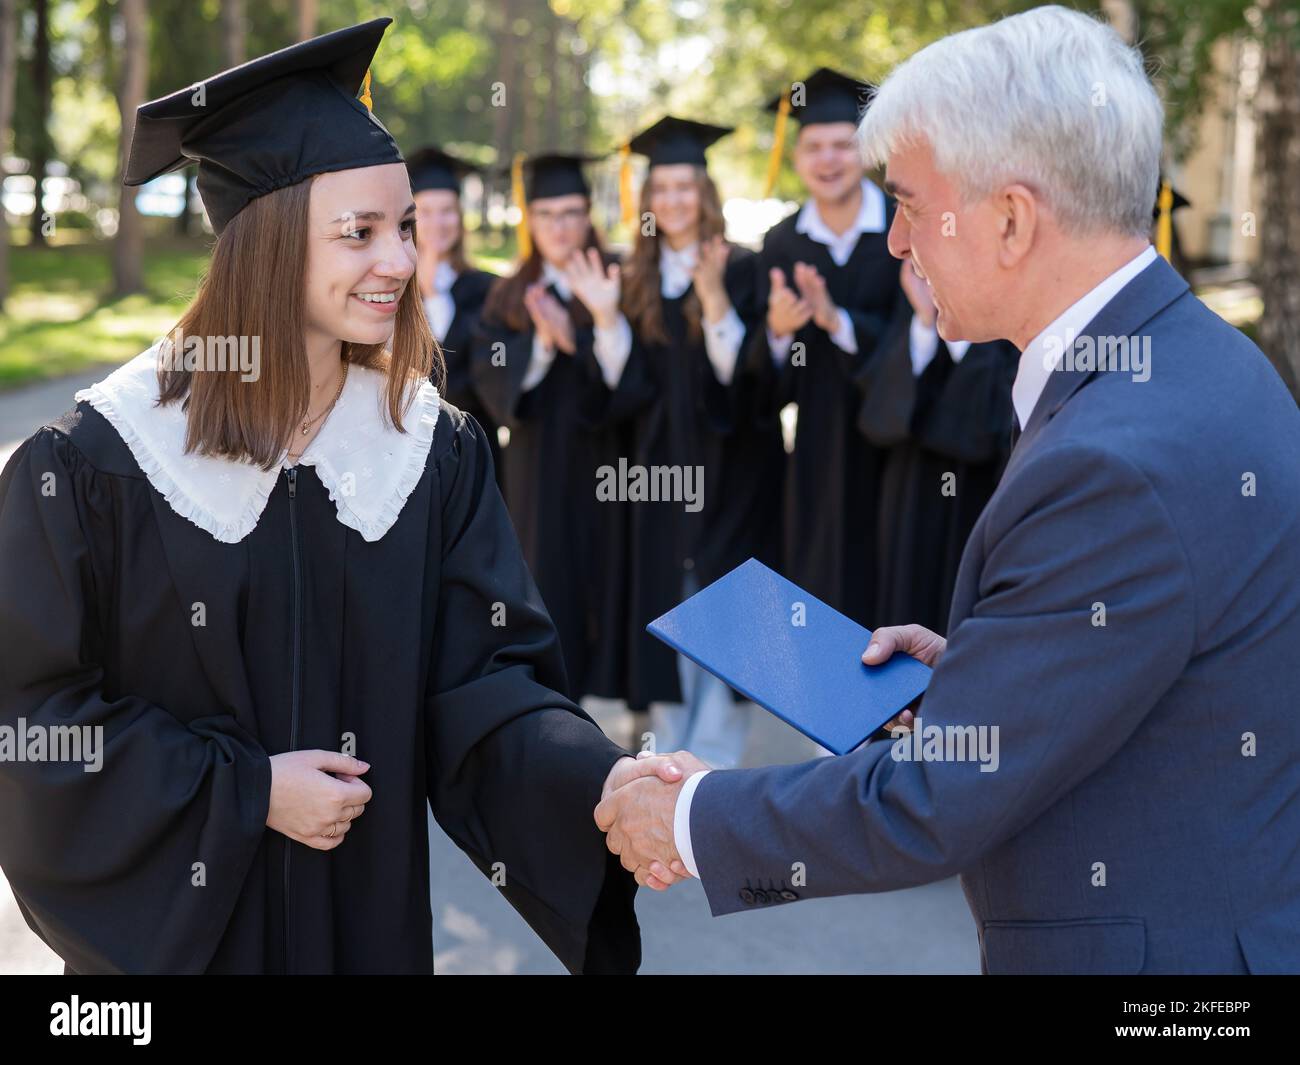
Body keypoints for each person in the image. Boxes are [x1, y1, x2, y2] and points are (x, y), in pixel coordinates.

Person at [594, 7, 1300, 974]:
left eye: (914, 207)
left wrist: (691, 813)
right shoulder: (1207, 359)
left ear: (1009, 218)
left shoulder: (1111, 461)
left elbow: (936, 800)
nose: (896, 243)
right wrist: (990, 663)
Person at [0, 18, 679, 975]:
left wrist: (607, 782)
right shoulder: (96, 463)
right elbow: (30, 721)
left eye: (402, 227)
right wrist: (244, 792)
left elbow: (488, 686)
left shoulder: (427, 450)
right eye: (359, 233)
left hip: (368, 933)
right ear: (268, 245)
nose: (401, 262)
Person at [587, 116, 783, 768]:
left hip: (736, 471)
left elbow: (747, 384)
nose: (673, 200)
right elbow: (625, 389)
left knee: (729, 609)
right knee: (667, 609)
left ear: (705, 192)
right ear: (648, 200)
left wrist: (714, 298)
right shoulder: (632, 275)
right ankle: (670, 767)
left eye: (684, 185)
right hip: (659, 474)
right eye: (661, 188)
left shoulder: (746, 268)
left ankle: (716, 772)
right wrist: (607, 318)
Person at [750, 67, 906, 627]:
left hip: (897, 445)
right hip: (816, 450)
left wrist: (836, 320)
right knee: (822, 598)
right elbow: (769, 390)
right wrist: (778, 332)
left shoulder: (902, 227)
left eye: (843, 144)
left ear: (867, 149)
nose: (828, 159)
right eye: (814, 146)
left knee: (893, 585)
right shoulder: (784, 242)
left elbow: (912, 342)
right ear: (796, 157)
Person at [471, 153, 629, 704]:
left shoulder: (619, 277)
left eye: (571, 212)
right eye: (546, 214)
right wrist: (542, 343)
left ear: (589, 214)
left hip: (611, 466)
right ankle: (555, 706)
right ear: (530, 221)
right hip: (538, 469)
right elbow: (490, 382)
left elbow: (637, 384)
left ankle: (615, 711)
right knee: (547, 580)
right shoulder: (510, 293)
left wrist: (593, 327)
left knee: (610, 579)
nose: (560, 227)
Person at [860, 257, 1018, 634]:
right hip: (911, 491)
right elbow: (880, 415)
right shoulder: (912, 297)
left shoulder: (1010, 302)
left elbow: (993, 419)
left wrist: (956, 329)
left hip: (974, 497)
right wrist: (927, 320)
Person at [406, 145, 503, 484]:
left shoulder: (489, 290)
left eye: (447, 211)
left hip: (474, 449)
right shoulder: (390, 288)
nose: (437, 222)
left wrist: (435, 298)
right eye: (425, 211)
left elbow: (482, 383)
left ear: (461, 217)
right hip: (405, 456)